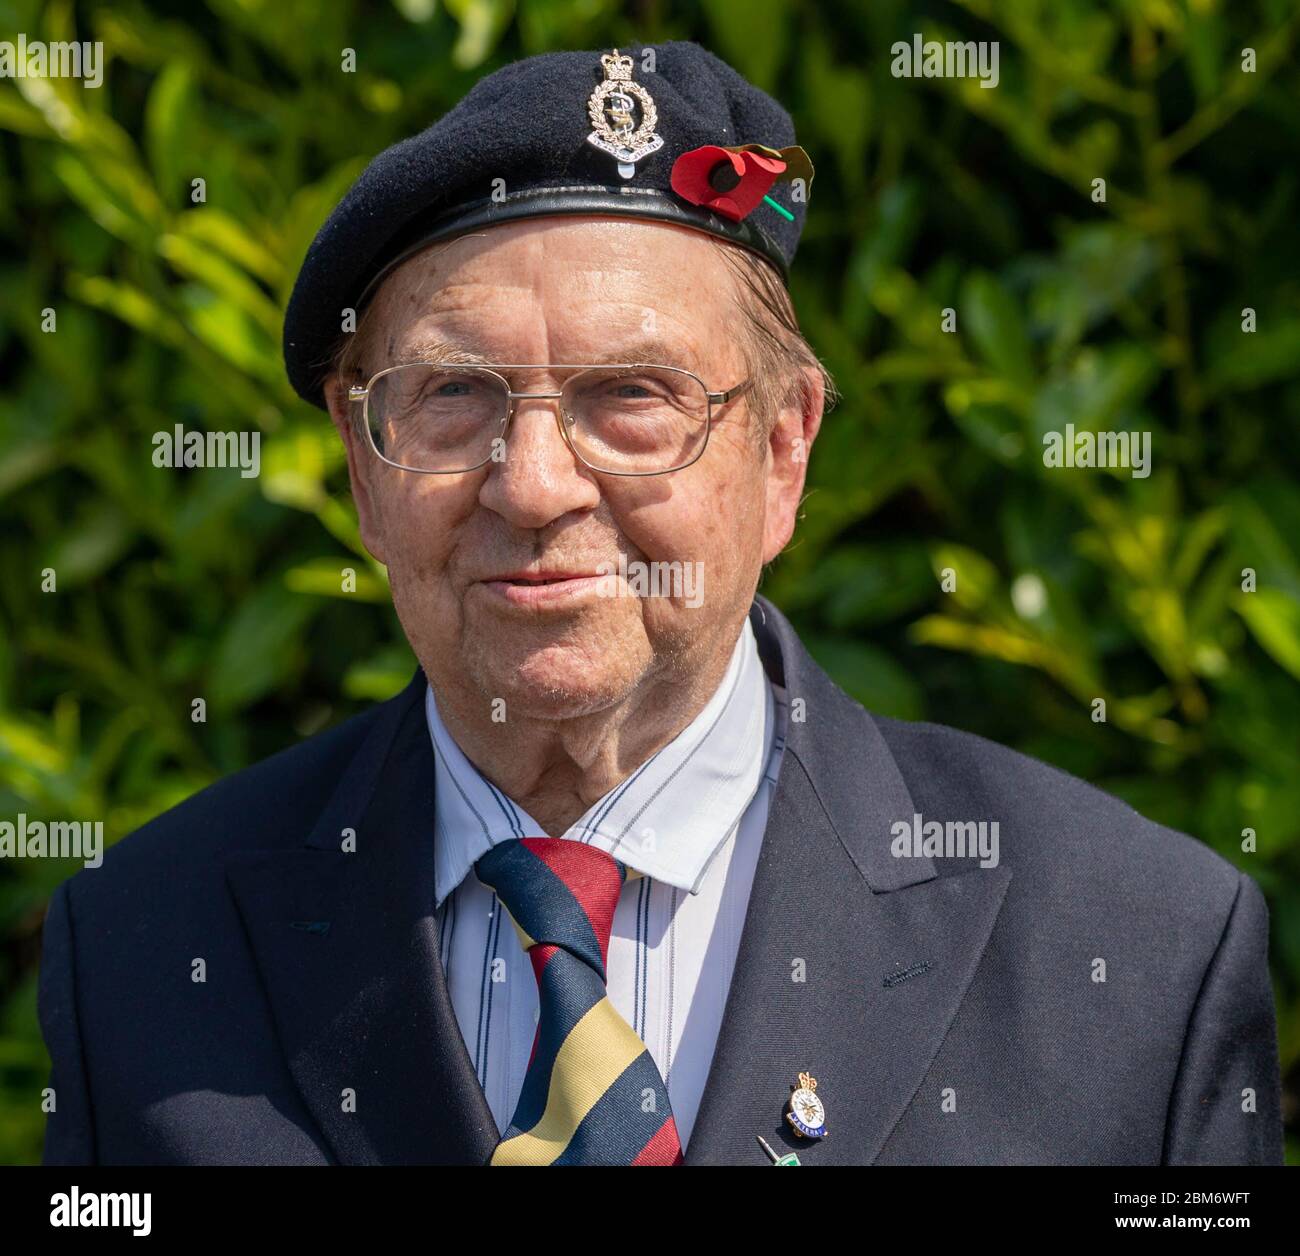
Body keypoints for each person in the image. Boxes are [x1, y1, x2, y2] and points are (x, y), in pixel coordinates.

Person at [38, 40, 1283, 1166]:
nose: (531, 485)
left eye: (631, 395)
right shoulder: (142, 944)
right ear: (365, 470)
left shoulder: (1135, 952)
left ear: (783, 454)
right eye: (452, 397)